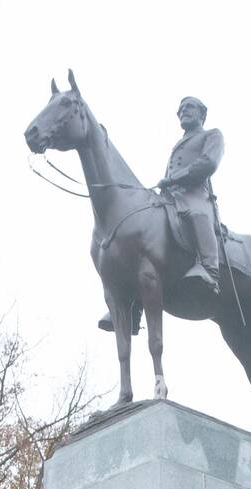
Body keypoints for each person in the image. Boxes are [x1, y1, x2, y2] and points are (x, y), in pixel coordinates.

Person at [98, 94, 224, 331]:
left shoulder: (212, 135)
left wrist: (174, 178)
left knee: (195, 214)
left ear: (202, 113)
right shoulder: (179, 143)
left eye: (189, 107)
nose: (183, 111)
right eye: (181, 109)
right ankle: (133, 305)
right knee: (143, 233)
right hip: (171, 196)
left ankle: (210, 268)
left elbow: (208, 163)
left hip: (195, 195)